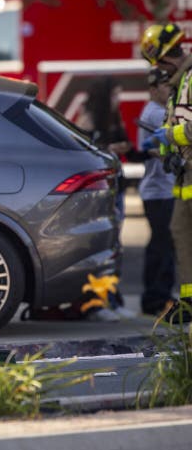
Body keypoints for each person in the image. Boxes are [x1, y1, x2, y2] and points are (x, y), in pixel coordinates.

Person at [140, 22, 192, 323]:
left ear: (166, 56)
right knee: (181, 235)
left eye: (158, 62)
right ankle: (187, 303)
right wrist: (164, 146)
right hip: (184, 178)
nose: (158, 69)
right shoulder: (179, 82)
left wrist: (169, 137)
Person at [75, 76, 137, 321]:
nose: (117, 100)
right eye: (114, 95)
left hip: (117, 183)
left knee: (115, 247)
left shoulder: (115, 118)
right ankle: (97, 303)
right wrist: (110, 150)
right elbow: (85, 150)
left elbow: (129, 146)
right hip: (101, 188)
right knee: (101, 247)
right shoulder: (89, 118)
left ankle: (113, 298)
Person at [137, 67, 176, 316]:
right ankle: (157, 299)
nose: (169, 90)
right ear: (153, 90)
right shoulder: (156, 113)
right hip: (160, 191)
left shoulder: (153, 111)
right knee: (164, 246)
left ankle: (155, 296)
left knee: (159, 245)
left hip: (158, 191)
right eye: (165, 86)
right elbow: (154, 147)